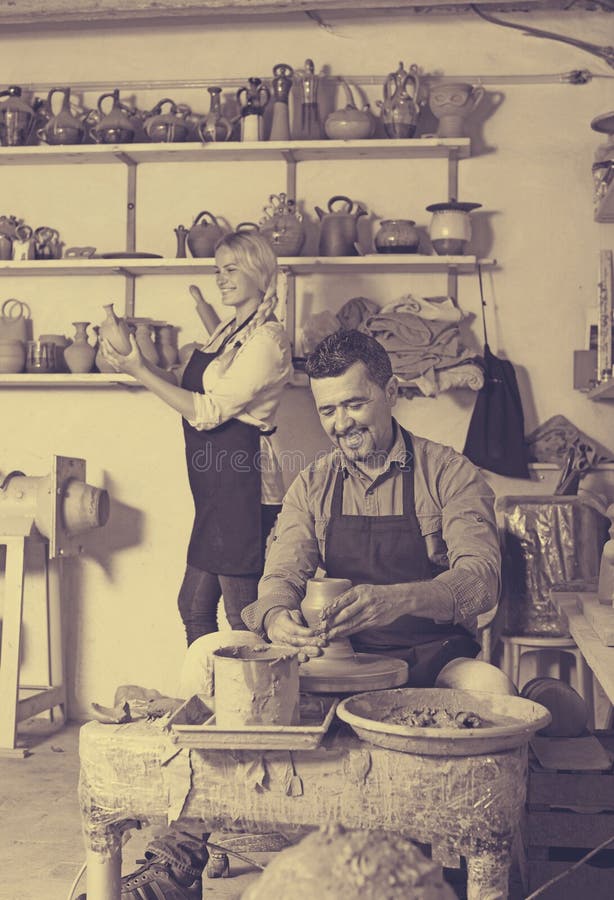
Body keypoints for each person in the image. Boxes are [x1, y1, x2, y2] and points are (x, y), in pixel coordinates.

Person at [241, 328, 501, 684]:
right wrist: (275, 616)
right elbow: (282, 575)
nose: (342, 423)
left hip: (434, 656)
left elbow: (481, 580)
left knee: (491, 686)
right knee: (209, 654)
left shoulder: (450, 473)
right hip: (342, 658)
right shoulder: (312, 484)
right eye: (328, 410)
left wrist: (400, 599)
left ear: (390, 392)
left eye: (354, 404)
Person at [101, 230, 293, 646]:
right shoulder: (229, 327)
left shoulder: (268, 340)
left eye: (231, 269)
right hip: (215, 485)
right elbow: (191, 386)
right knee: (193, 607)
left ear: (259, 272)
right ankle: (211, 702)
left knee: (245, 617)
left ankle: (258, 705)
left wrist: (140, 371)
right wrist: (139, 360)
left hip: (242, 484)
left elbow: (207, 413)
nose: (221, 278)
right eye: (217, 270)